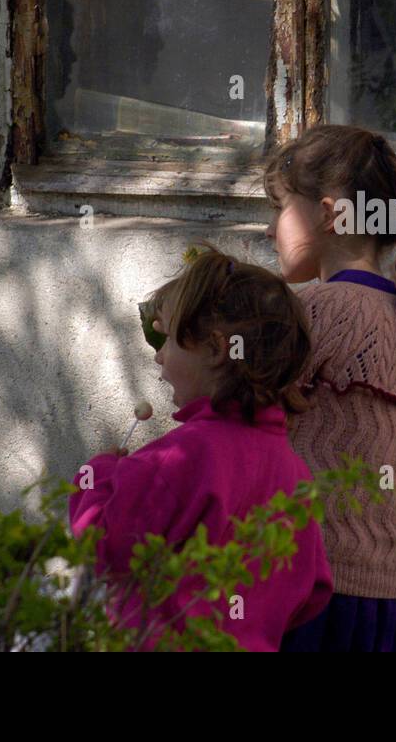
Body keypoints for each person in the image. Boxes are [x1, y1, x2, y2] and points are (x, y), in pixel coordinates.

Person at [69, 249, 332, 651]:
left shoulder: (179, 456)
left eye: (170, 339)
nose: (159, 356)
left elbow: (102, 545)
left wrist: (98, 476)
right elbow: (313, 588)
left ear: (214, 349)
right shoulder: (295, 472)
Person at [264, 125, 396, 652]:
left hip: (315, 587)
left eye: (281, 208)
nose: (272, 227)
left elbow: (243, 420)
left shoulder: (317, 312)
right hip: (394, 590)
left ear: (330, 212)